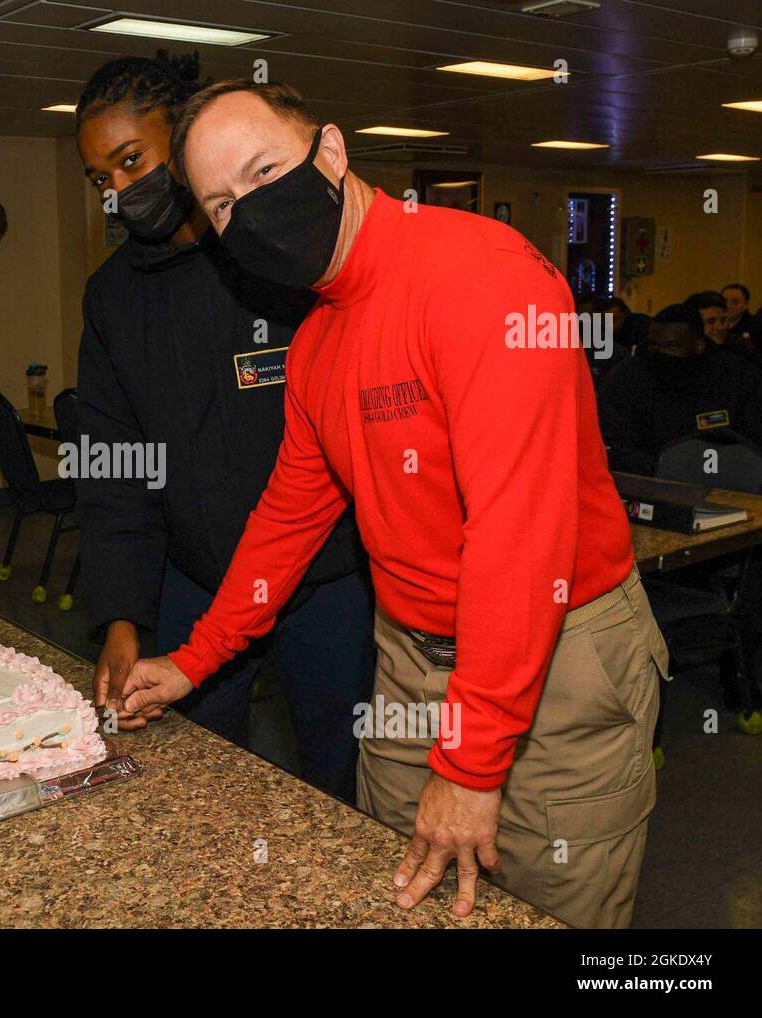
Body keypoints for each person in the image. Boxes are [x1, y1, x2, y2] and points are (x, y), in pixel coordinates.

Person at [117, 80, 665, 928]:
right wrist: (196, 657)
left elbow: (521, 540)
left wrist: (472, 763)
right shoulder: (318, 343)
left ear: (330, 153)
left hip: (557, 656)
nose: (250, 212)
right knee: (397, 898)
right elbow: (287, 521)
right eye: (222, 205)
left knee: (555, 914)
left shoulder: (484, 279)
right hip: (409, 659)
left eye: (265, 172)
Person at [73, 53, 375, 802]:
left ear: (183, 137)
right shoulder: (113, 299)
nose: (119, 191)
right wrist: (121, 615)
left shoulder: (278, 256)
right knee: (196, 781)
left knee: (345, 774)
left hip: (325, 578)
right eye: (101, 179)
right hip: (197, 579)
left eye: (131, 161)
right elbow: (115, 466)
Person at [598, 303, 762, 474]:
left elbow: (753, 438)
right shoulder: (628, 377)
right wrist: (661, 468)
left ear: (698, 344)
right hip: (650, 480)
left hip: (725, 480)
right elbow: (614, 441)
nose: (661, 354)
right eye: (654, 346)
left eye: (672, 346)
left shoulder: (736, 377)